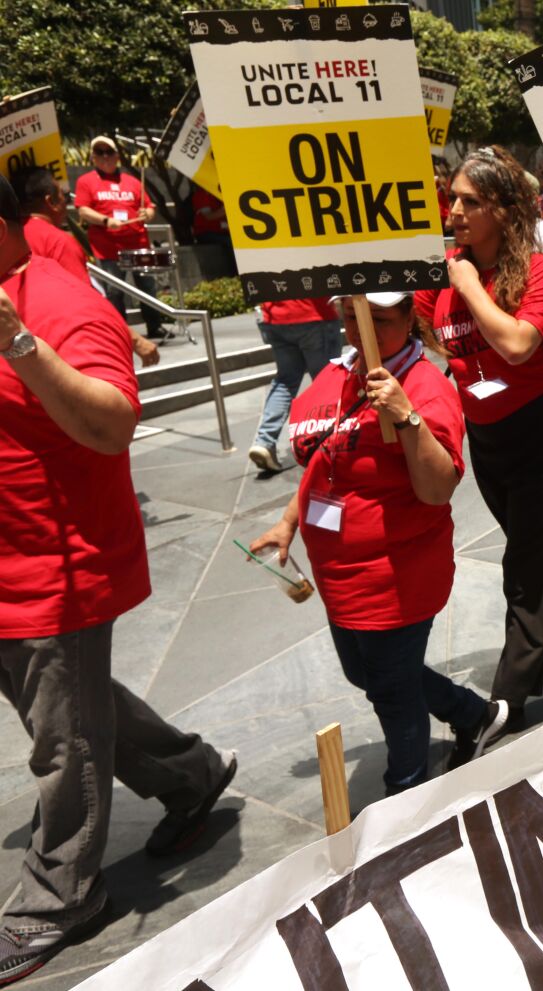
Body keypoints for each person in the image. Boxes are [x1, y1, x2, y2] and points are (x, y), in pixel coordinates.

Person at [0, 175, 236, 985]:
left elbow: (112, 422)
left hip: (51, 565)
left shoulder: (60, 304)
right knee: (67, 705)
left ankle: (60, 891)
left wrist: (19, 344)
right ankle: (193, 773)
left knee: (61, 740)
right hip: (7, 562)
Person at [251, 292, 504, 792]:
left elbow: (436, 490)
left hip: (395, 575)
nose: (358, 330)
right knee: (367, 672)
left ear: (411, 317)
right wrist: (288, 520)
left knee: (390, 689)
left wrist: (407, 417)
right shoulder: (340, 372)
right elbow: (329, 458)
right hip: (339, 574)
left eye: (379, 320)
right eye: (349, 317)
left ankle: (404, 793)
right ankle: (473, 713)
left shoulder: (426, 387)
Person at [414, 145, 543, 735]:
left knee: (525, 566)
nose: (453, 210)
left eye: (469, 201)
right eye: (452, 198)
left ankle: (507, 700)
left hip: (542, 434)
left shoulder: (540, 273)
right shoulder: (440, 280)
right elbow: (435, 342)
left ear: (502, 209)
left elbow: (520, 345)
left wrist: (469, 286)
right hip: (487, 438)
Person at [13, 167, 159, 367]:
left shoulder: (9, 238)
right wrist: (136, 340)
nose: (67, 201)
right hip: (61, 353)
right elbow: (87, 302)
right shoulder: (58, 242)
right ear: (51, 202)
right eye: (64, 195)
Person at [72, 136, 164, 340]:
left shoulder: (132, 181)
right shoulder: (85, 181)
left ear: (116, 156)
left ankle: (155, 326)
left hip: (138, 243)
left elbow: (149, 207)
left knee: (147, 287)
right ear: (93, 158)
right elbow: (83, 210)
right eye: (100, 153)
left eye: (109, 152)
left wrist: (147, 214)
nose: (105, 157)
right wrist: (105, 221)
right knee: (114, 292)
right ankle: (122, 334)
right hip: (108, 248)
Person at [247, 294, 343, 473]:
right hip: (314, 314)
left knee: (285, 380)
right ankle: (330, 443)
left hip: (276, 316)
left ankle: (264, 441)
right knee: (327, 380)